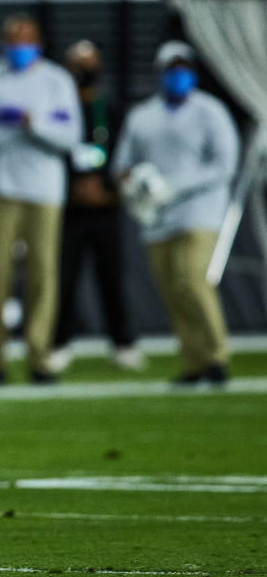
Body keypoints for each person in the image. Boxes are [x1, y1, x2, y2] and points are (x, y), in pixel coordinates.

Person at [0, 13, 81, 385]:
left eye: (25, 41)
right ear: (2, 44)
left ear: (40, 44)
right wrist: (21, 125)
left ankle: (40, 356)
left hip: (44, 191)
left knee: (43, 275)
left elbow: (70, 137)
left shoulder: (56, 81)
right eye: (12, 42)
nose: (18, 48)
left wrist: (32, 123)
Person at [113, 40, 238, 388]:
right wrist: (134, 182)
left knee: (193, 280)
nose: (177, 75)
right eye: (172, 69)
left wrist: (175, 185)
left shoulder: (210, 112)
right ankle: (193, 361)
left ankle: (217, 355)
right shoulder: (142, 116)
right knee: (171, 290)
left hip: (200, 211)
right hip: (156, 217)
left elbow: (225, 165)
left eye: (183, 68)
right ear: (160, 73)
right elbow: (121, 164)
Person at [48, 40, 143, 374]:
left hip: (105, 206)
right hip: (69, 208)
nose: (84, 71)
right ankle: (59, 342)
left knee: (112, 276)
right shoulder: (59, 108)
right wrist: (71, 186)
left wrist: (108, 188)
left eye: (89, 63)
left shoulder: (112, 110)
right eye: (78, 63)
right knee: (64, 278)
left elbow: (125, 156)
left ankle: (123, 342)